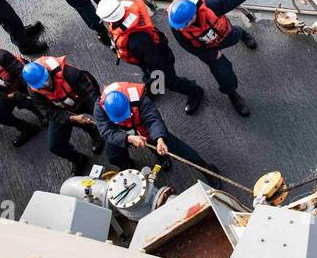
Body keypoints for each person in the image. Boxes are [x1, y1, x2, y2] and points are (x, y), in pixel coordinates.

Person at [168, 0, 268, 116]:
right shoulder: (177, 25)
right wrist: (211, 55)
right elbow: (187, 46)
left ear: (193, 15)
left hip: (225, 34)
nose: (182, 28)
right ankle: (232, 93)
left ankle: (242, 34)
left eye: (186, 24)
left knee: (236, 34)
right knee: (224, 74)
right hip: (208, 49)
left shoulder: (211, 3)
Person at [93, 80, 221, 188]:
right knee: (113, 155)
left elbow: (152, 118)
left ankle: (207, 169)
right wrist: (128, 138)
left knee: (176, 148)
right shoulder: (100, 107)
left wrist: (160, 139)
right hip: (124, 133)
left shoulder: (137, 96)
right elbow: (106, 131)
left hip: (143, 127)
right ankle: (128, 165)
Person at [97, 0, 204, 114]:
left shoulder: (136, 39)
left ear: (111, 20)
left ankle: (194, 91)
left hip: (156, 57)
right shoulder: (127, 11)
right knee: (149, 74)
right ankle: (156, 88)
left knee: (170, 81)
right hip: (149, 53)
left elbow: (155, 62)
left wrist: (158, 75)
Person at [21, 56, 105, 173]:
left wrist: (100, 116)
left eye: (46, 81)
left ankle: (99, 132)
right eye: (42, 86)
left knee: (105, 114)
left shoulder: (69, 73)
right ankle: (78, 159)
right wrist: (71, 117)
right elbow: (48, 111)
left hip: (82, 99)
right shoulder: (34, 90)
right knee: (55, 145)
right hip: (62, 108)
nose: (46, 86)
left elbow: (90, 94)